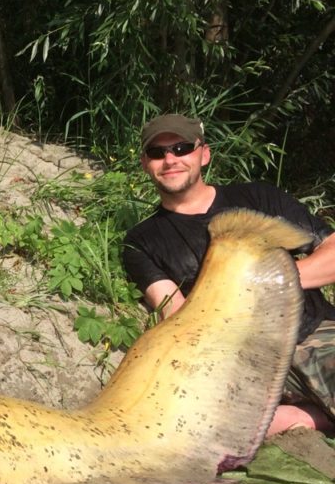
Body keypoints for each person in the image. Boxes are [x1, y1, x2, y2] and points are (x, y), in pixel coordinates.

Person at [122, 113, 335, 436]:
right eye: (157, 152)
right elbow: (176, 317)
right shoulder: (141, 242)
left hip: (313, 332)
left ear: (204, 154)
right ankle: (308, 417)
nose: (170, 159)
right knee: (193, 427)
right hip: (243, 361)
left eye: (181, 148)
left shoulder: (259, 198)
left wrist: (268, 282)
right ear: (145, 164)